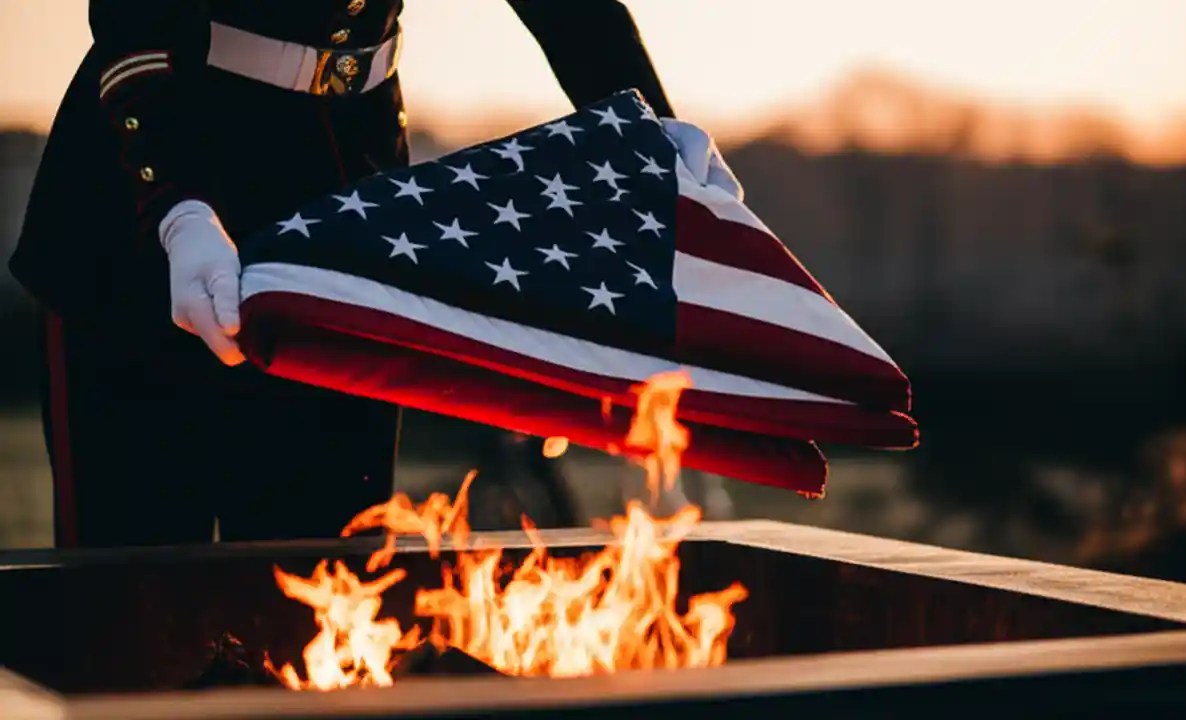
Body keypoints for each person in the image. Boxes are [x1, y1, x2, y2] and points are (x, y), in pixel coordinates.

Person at [8, 0, 735, 548]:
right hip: (150, 204)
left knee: (322, 572)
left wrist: (652, 133)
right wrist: (177, 210)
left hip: (346, 190)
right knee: (138, 593)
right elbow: (134, 20)